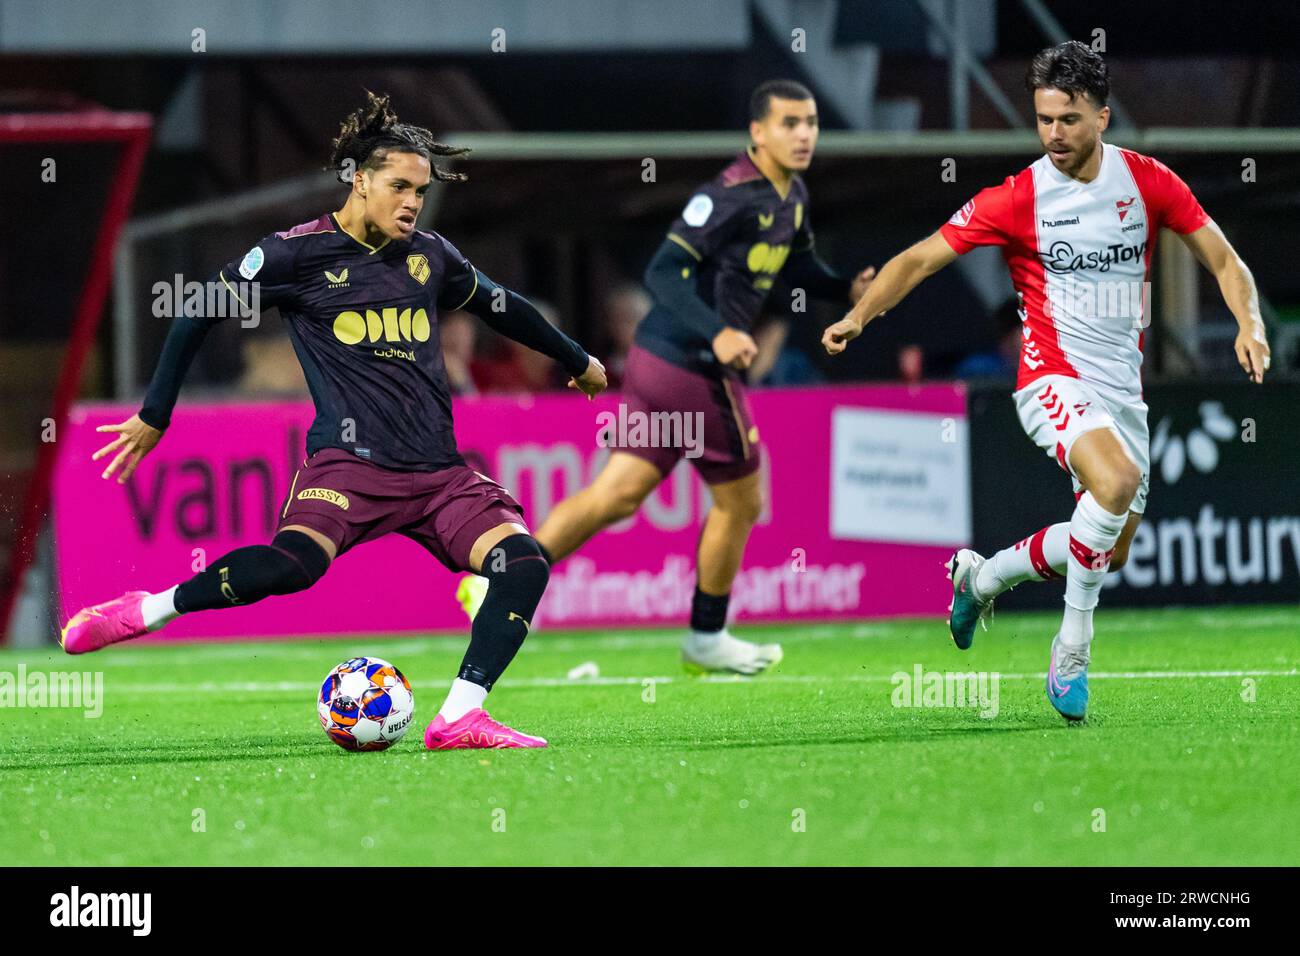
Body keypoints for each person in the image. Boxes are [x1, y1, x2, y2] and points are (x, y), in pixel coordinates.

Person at [61, 92, 608, 749]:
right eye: (399, 187)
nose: (412, 202)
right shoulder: (297, 255)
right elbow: (196, 310)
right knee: (291, 567)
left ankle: (460, 715)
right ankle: (146, 610)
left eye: (420, 190)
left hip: (439, 475)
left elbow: (501, 306)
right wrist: (155, 415)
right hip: (349, 466)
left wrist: (577, 359)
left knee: (524, 563)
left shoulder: (430, 255)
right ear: (359, 180)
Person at [822, 42, 1271, 720]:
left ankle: (981, 578)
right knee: (1114, 484)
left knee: (1109, 549)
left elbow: (1224, 260)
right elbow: (920, 259)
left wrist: (1250, 324)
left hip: (1121, 393)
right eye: (1043, 119)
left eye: (1068, 119)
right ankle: (1072, 652)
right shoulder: (1019, 196)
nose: (1053, 134)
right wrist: (859, 316)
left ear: (1102, 116)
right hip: (1050, 378)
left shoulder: (1147, 181)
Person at [458, 79, 874, 674]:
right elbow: (663, 270)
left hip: (658, 365)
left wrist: (842, 287)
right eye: (790, 123)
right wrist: (718, 332)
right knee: (743, 499)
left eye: (810, 122)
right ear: (758, 132)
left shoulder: (793, 194)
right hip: (689, 365)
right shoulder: (728, 195)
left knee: (617, 494)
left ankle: (499, 577)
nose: (804, 133)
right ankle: (707, 636)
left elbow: (799, 263)